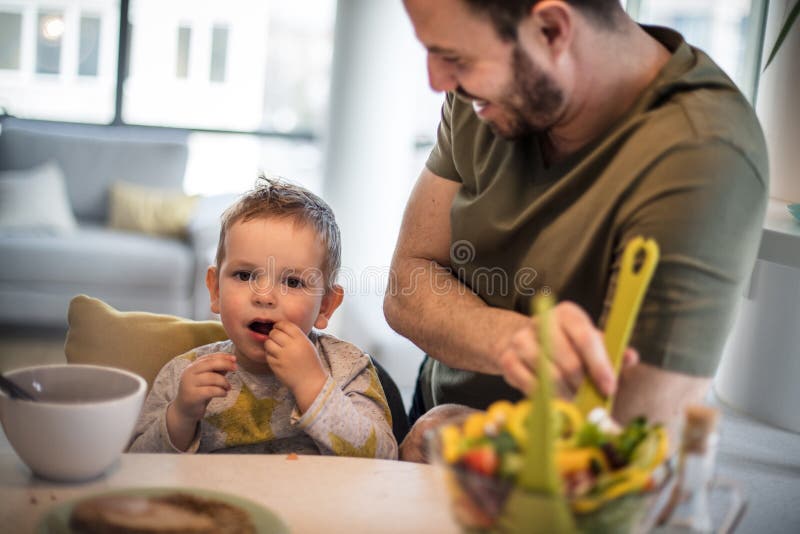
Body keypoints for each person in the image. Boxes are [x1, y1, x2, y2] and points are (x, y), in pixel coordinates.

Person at [385, 0, 767, 461]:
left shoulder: (703, 156)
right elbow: (408, 283)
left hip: (559, 478)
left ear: (550, 29)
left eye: (456, 57)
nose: (437, 81)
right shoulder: (486, 93)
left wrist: (483, 439)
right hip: (433, 415)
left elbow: (633, 430)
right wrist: (512, 340)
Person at [130, 177, 397, 458]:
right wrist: (180, 417)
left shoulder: (347, 369)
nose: (264, 296)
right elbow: (138, 465)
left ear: (325, 306)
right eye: (244, 275)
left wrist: (313, 385)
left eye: (292, 282)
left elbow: (385, 459)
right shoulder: (183, 375)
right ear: (216, 290)